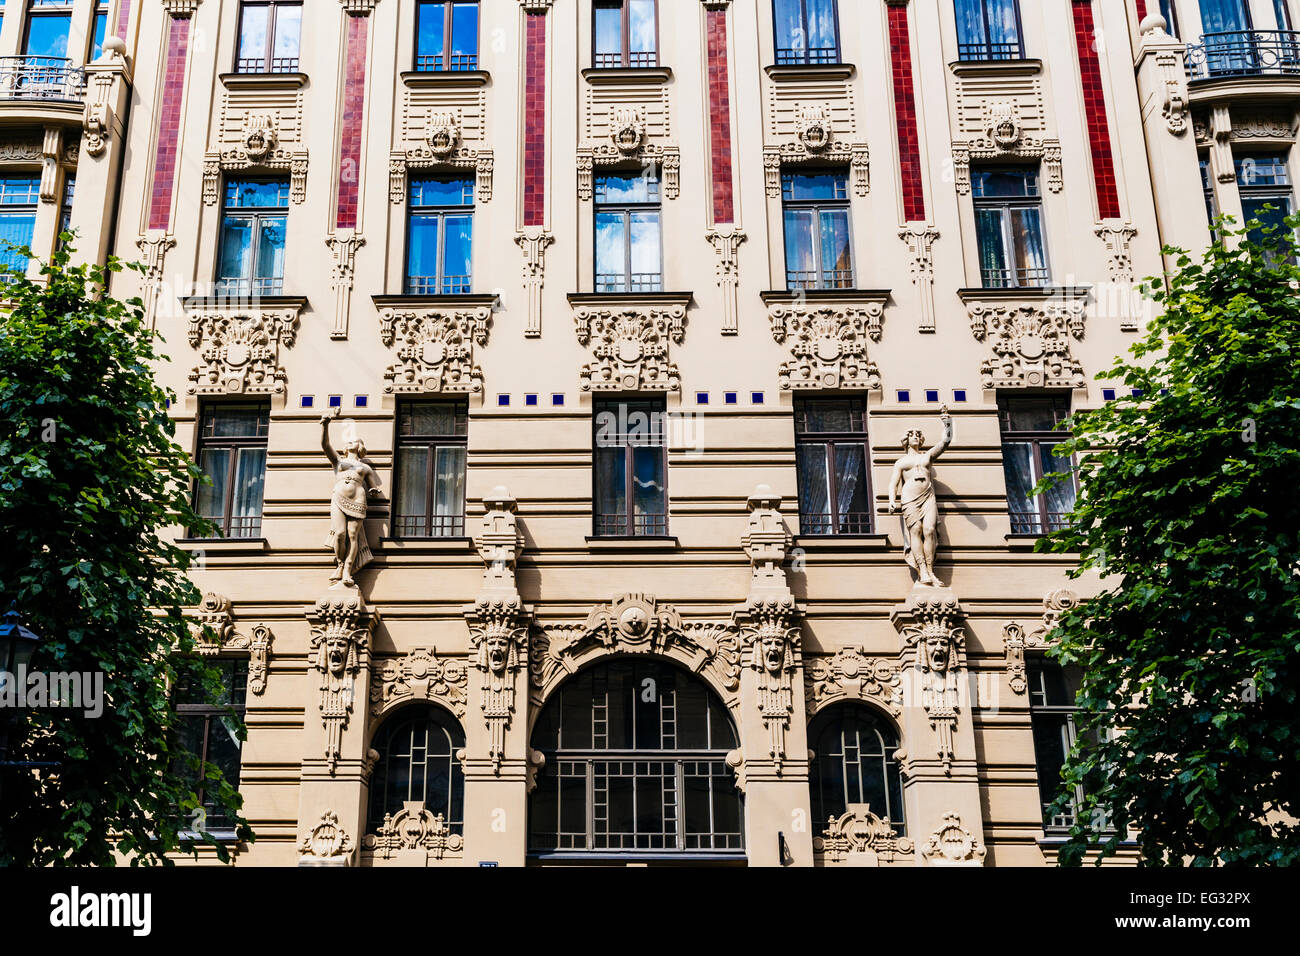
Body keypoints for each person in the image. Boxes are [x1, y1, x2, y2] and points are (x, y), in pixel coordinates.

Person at [888, 406, 953, 587]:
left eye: (918, 434)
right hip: (909, 497)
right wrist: (892, 500)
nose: (916, 436)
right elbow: (893, 483)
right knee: (915, 531)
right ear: (906, 440)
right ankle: (922, 570)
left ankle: (931, 570)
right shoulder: (901, 462)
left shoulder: (927, 457)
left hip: (927, 496)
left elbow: (945, 442)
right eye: (912, 434)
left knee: (930, 531)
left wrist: (947, 422)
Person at [321, 407, 382, 587]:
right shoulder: (339, 462)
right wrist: (325, 425)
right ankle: (339, 564)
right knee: (340, 534)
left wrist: (373, 491)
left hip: (358, 499)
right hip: (339, 497)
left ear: (360, 445)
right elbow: (325, 446)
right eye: (348, 441)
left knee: (353, 535)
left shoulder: (366, 468)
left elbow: (372, 486)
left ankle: (347, 569)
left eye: (354, 440)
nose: (350, 442)